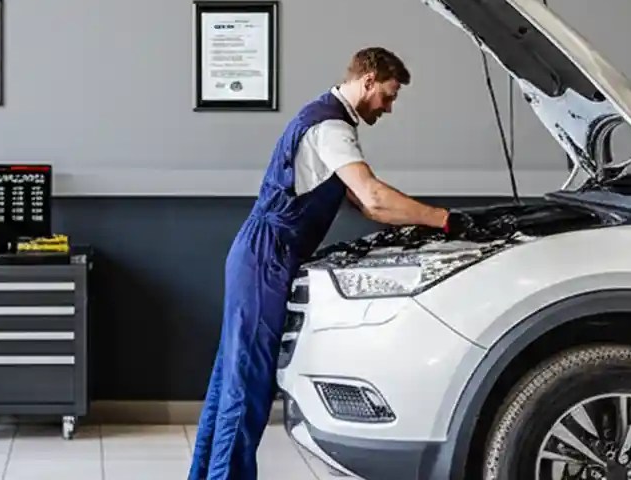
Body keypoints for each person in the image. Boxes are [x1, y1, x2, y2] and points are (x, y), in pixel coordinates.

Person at [188, 47, 473, 480]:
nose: (389, 108)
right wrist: (445, 218)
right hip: (267, 256)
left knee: (231, 381)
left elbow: (364, 203)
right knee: (247, 387)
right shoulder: (331, 126)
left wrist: (420, 221)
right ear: (369, 80)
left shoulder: (324, 118)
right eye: (389, 96)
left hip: (260, 254)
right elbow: (374, 197)